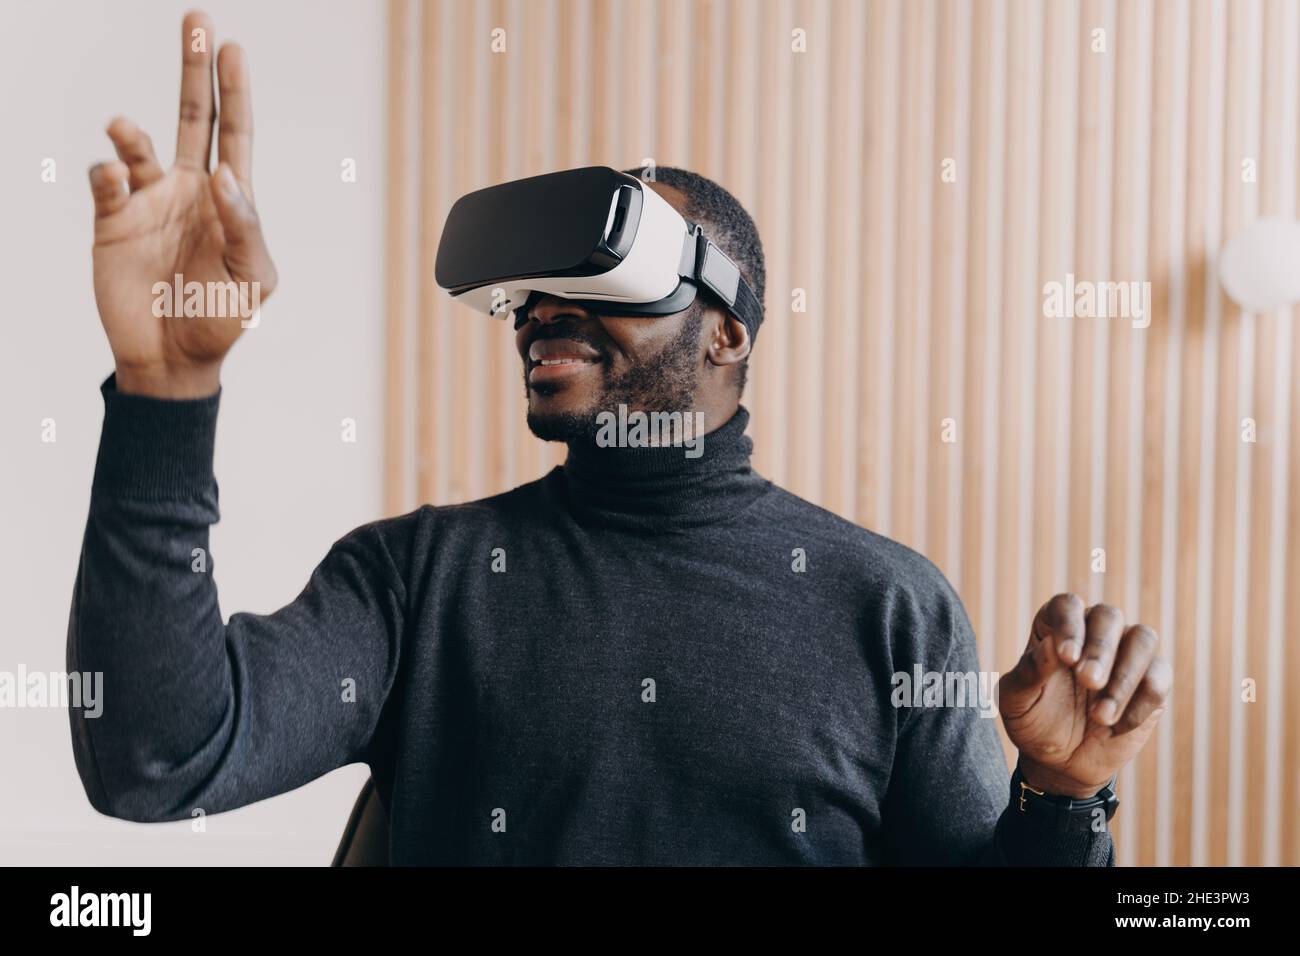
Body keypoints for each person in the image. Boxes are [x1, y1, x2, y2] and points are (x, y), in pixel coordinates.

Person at [70, 10, 1172, 865]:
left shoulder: (885, 607)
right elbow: (153, 756)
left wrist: (1063, 797)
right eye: (533, 288)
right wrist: (167, 392)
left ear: (728, 329)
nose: (545, 306)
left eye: (601, 273)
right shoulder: (418, 580)